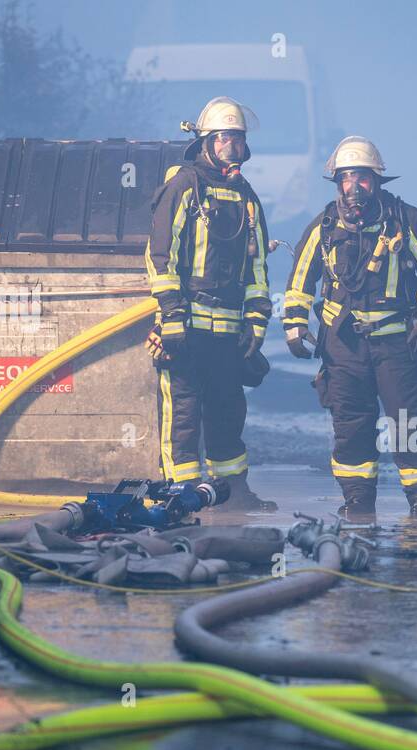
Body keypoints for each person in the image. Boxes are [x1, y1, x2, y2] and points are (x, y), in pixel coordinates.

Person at [283, 136, 417, 518]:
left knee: (410, 423)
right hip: (342, 347)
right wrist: (294, 325)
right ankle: (358, 501)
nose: (354, 188)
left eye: (362, 179)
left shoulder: (408, 222)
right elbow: (298, 283)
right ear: (337, 183)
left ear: (377, 182)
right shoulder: (323, 227)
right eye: (347, 178)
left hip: (396, 345)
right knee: (350, 424)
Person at [144, 96, 275, 510]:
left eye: (238, 141)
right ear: (206, 141)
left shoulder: (247, 197)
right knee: (183, 415)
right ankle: (179, 497)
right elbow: (160, 255)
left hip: (229, 331)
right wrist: (171, 317)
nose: (232, 149)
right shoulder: (185, 186)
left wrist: (256, 322)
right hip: (186, 327)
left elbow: (257, 267)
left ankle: (233, 494)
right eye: (224, 140)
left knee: (227, 412)